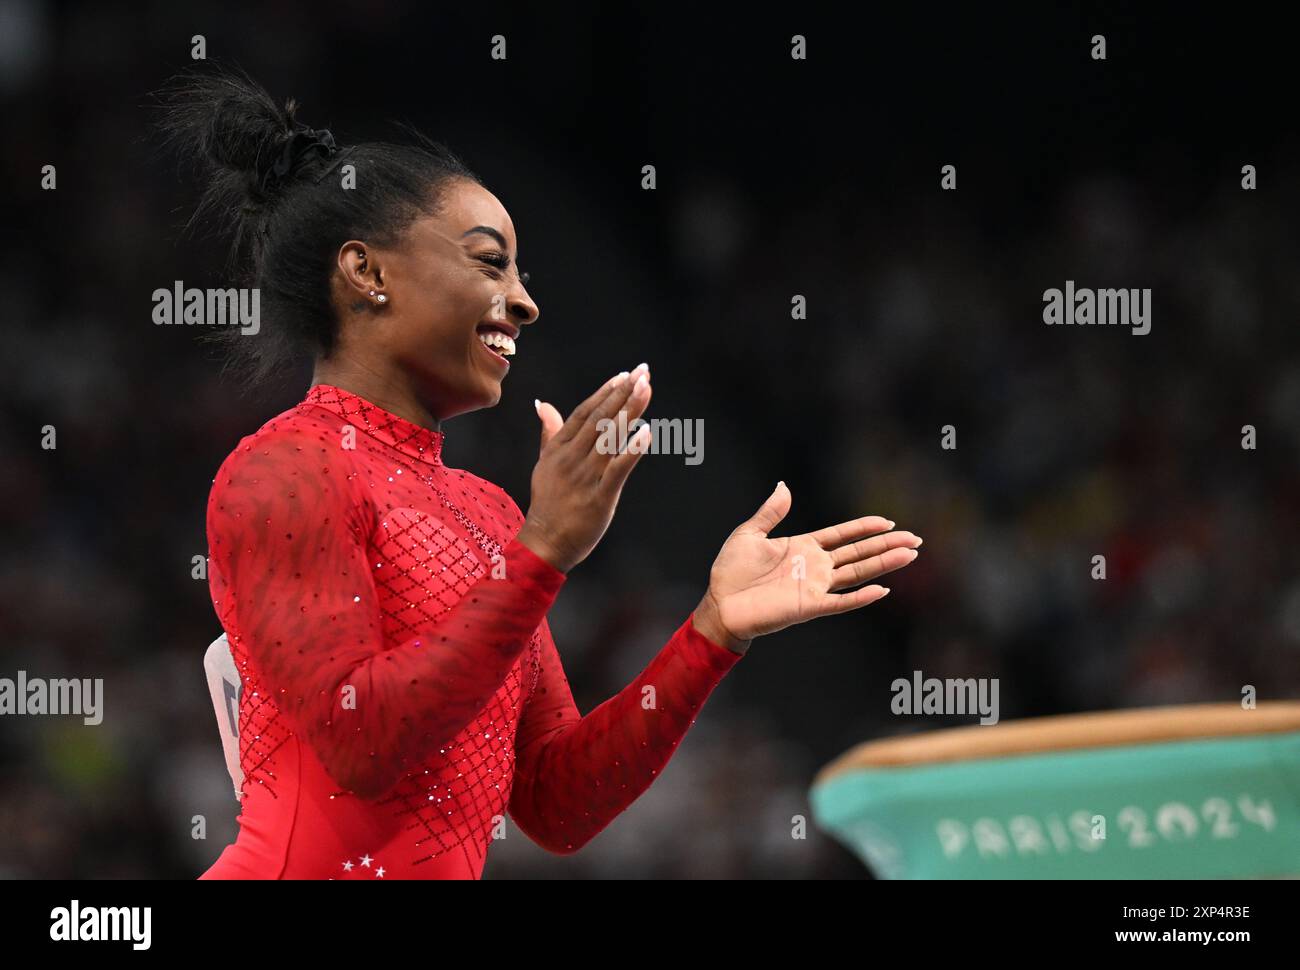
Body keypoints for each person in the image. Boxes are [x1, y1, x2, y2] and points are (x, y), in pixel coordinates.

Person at [163, 68, 923, 879]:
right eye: (490, 264)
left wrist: (712, 630)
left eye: (521, 274)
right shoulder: (284, 472)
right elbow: (359, 742)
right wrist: (545, 551)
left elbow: (558, 804)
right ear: (367, 273)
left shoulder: (486, 515)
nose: (522, 302)